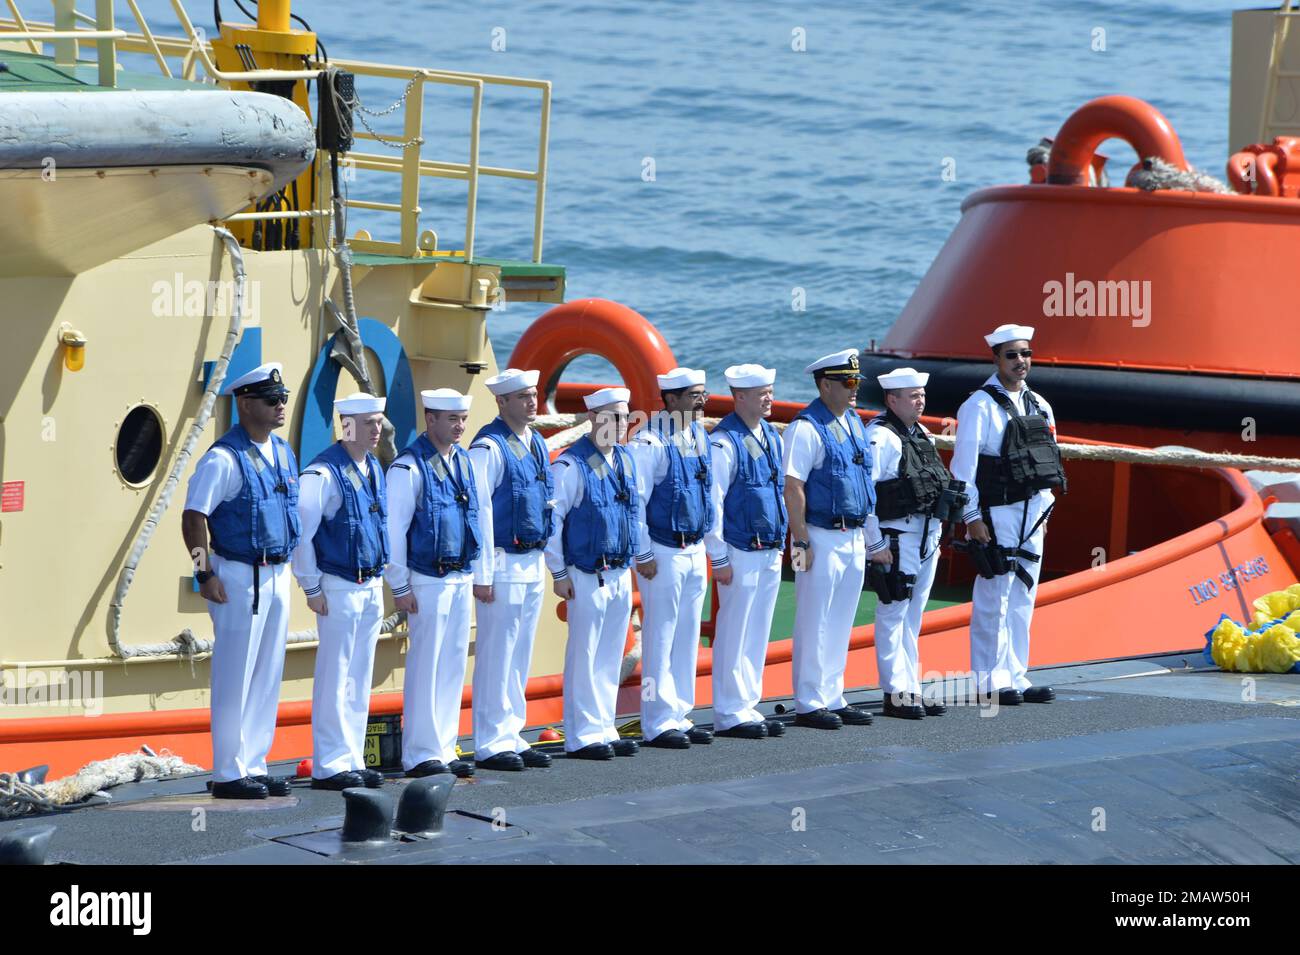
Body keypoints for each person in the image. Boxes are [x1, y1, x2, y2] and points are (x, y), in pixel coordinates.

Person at [181, 362, 298, 799]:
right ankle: (229, 772)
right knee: (235, 675)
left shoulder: (283, 451)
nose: (281, 405)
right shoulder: (223, 458)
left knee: (267, 673)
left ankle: (254, 763)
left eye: (282, 398)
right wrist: (203, 573)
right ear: (245, 404)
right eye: (272, 400)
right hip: (238, 576)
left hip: (276, 573)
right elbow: (194, 517)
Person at [951, 325, 1066, 706]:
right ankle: (990, 680)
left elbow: (1048, 459)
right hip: (995, 511)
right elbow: (963, 469)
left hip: (1032, 511)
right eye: (1012, 355)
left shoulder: (1040, 405)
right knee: (993, 597)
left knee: (1023, 596)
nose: (1021, 361)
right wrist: (971, 517)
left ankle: (1017, 674)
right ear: (996, 359)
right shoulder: (978, 406)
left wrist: (1045, 507)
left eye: (1026, 354)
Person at [293, 393, 390, 790]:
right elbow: (302, 535)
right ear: (347, 426)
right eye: (369, 423)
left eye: (379, 422)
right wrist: (311, 586)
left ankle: (350, 755)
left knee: (358, 674)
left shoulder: (372, 469)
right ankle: (330, 762)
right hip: (338, 584)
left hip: (368, 584)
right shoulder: (322, 475)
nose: (377, 429)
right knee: (335, 674)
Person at [386, 389, 482, 780]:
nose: (459, 426)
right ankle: (421, 752)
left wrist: (479, 572)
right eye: (451, 419)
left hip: (460, 576)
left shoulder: (464, 462)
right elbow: (394, 531)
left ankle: (444, 744)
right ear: (431, 420)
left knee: (452, 663)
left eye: (462, 419)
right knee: (426, 664)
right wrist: (400, 585)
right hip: (427, 578)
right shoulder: (409, 468)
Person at [546, 387, 643, 761]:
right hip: (586, 571)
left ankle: (604, 725)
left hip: (618, 570)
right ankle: (582, 734)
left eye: (624, 416)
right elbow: (552, 521)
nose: (621, 424)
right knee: (585, 653)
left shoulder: (625, 460)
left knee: (608, 653)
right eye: (613, 417)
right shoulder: (570, 466)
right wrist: (557, 572)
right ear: (594, 419)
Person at [467, 369, 555, 771]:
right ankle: (490, 740)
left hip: (532, 560)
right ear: (502, 403)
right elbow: (478, 513)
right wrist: (482, 575)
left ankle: (512, 731)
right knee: (497, 652)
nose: (532, 402)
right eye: (522, 397)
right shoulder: (489, 447)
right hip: (503, 561)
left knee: (520, 653)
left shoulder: (535, 441)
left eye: (533, 395)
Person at [783, 349, 875, 730]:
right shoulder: (805, 428)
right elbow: (793, 485)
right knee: (813, 619)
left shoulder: (853, 421)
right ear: (825, 385)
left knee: (840, 620)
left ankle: (833, 694)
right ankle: (808, 700)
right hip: (820, 535)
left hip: (851, 534)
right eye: (848, 382)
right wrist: (801, 540)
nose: (855, 389)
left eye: (856, 382)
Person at [630, 367, 714, 749]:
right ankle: (658, 720)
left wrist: (714, 547)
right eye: (694, 395)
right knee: (661, 636)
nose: (702, 401)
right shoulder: (649, 442)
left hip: (694, 550)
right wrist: (643, 552)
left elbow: (708, 491)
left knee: (687, 634)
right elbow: (637, 502)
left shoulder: (698, 435)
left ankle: (679, 711)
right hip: (663, 551)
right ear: (672, 400)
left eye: (702, 394)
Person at [864, 369, 954, 720]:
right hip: (897, 536)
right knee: (893, 610)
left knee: (913, 616)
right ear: (891, 400)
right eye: (913, 396)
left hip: (926, 536)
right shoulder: (880, 437)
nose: (921, 401)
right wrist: (874, 545)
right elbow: (865, 494)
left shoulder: (923, 435)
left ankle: (910, 685)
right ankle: (894, 690)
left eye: (922, 395)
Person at [705, 364, 789, 740]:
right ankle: (727, 709)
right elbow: (714, 503)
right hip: (740, 548)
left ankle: (747, 703)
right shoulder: (724, 442)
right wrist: (719, 556)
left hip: (769, 547)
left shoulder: (772, 436)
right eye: (761, 393)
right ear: (739, 397)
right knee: (735, 629)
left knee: (757, 629)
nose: (769, 398)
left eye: (770, 391)